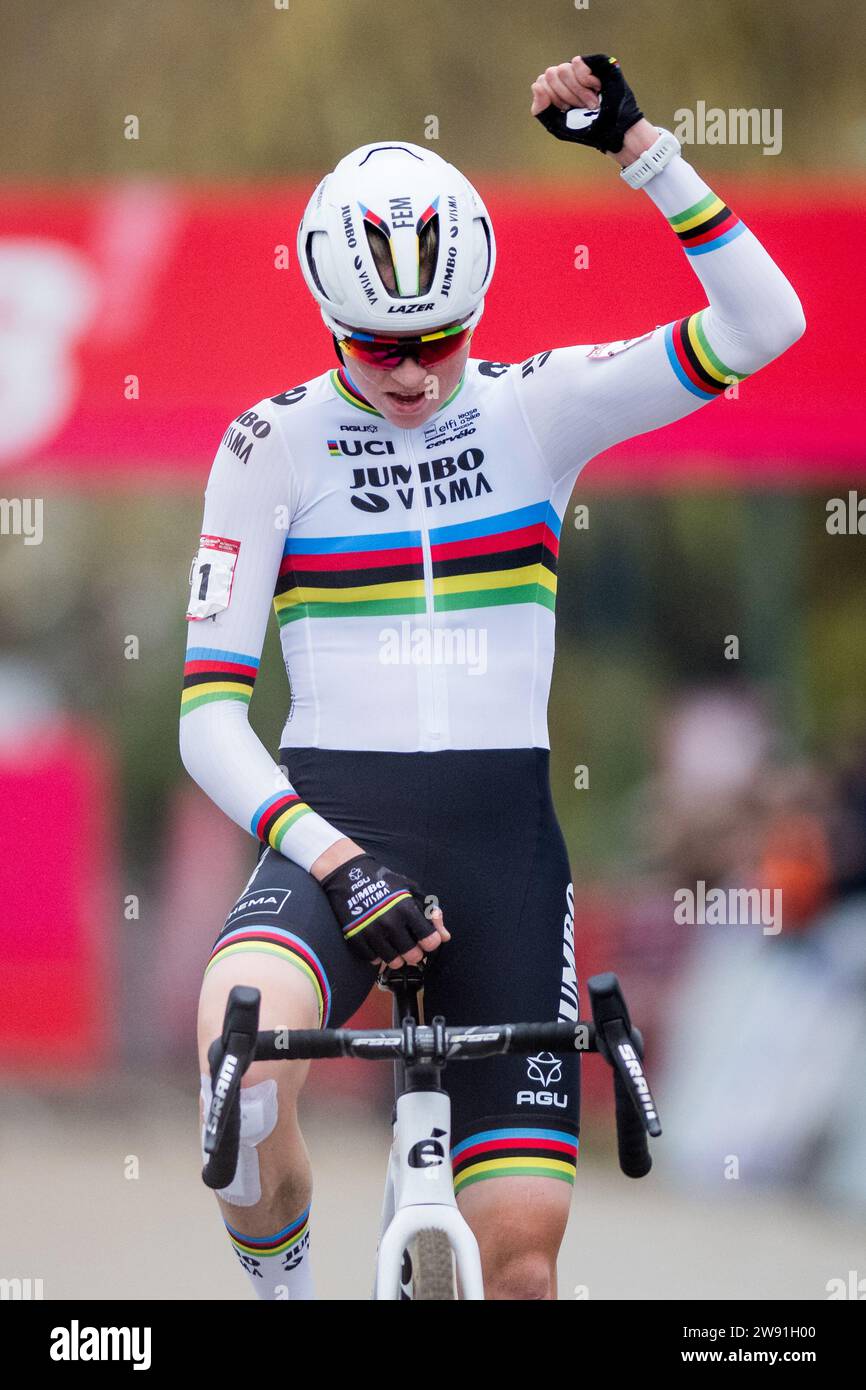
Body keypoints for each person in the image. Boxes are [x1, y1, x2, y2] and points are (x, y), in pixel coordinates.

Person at [180, 53, 805, 1300]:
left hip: (503, 847)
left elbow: (764, 326)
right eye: (375, 346)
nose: (409, 372)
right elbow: (207, 718)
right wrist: (337, 862)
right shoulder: (268, 445)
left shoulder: (538, 410)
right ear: (323, 314)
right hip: (330, 835)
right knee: (238, 1078)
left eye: (437, 341)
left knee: (520, 1267)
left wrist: (646, 153)